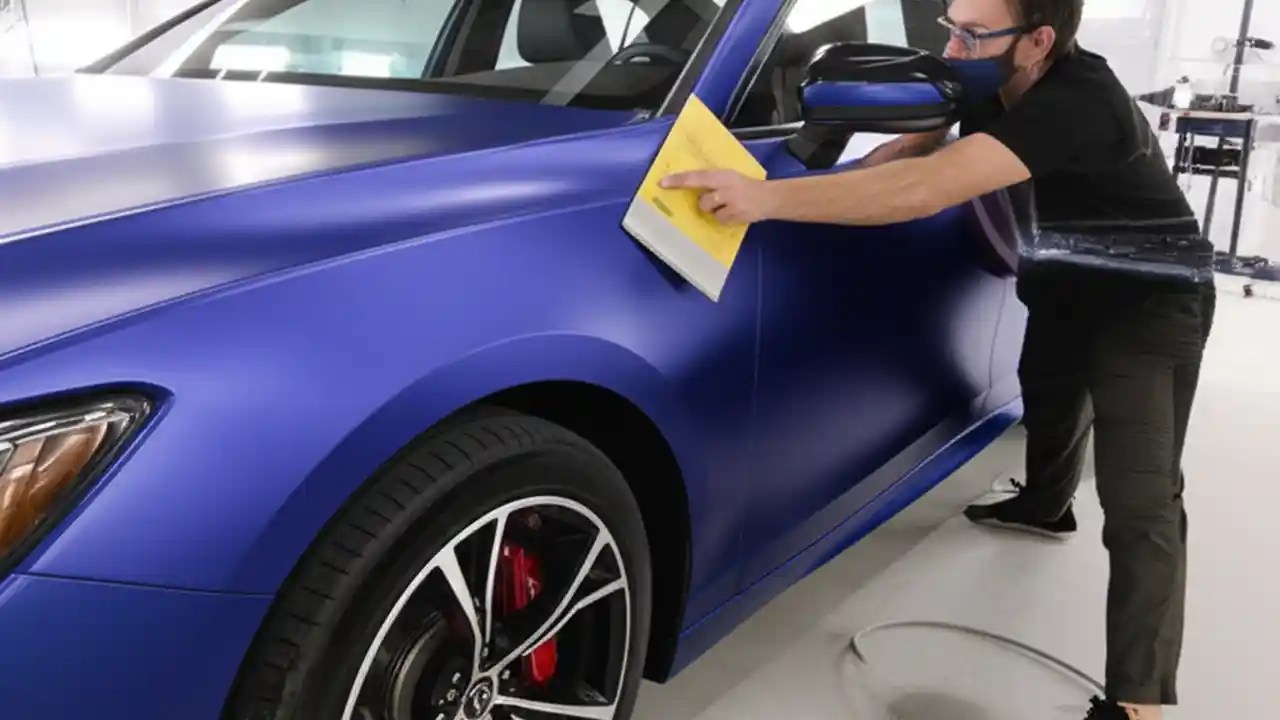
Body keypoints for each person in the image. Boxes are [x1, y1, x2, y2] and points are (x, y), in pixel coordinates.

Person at [661, 1, 1216, 719]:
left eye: (971, 33)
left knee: (1140, 497)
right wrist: (811, 162)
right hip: (1064, 276)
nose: (951, 45)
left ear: (1039, 42)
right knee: (1049, 395)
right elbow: (909, 156)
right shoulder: (984, 78)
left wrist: (765, 200)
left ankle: (1140, 702)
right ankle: (1045, 508)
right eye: (949, 24)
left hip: (1150, 297)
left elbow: (925, 189)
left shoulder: (1082, 99)